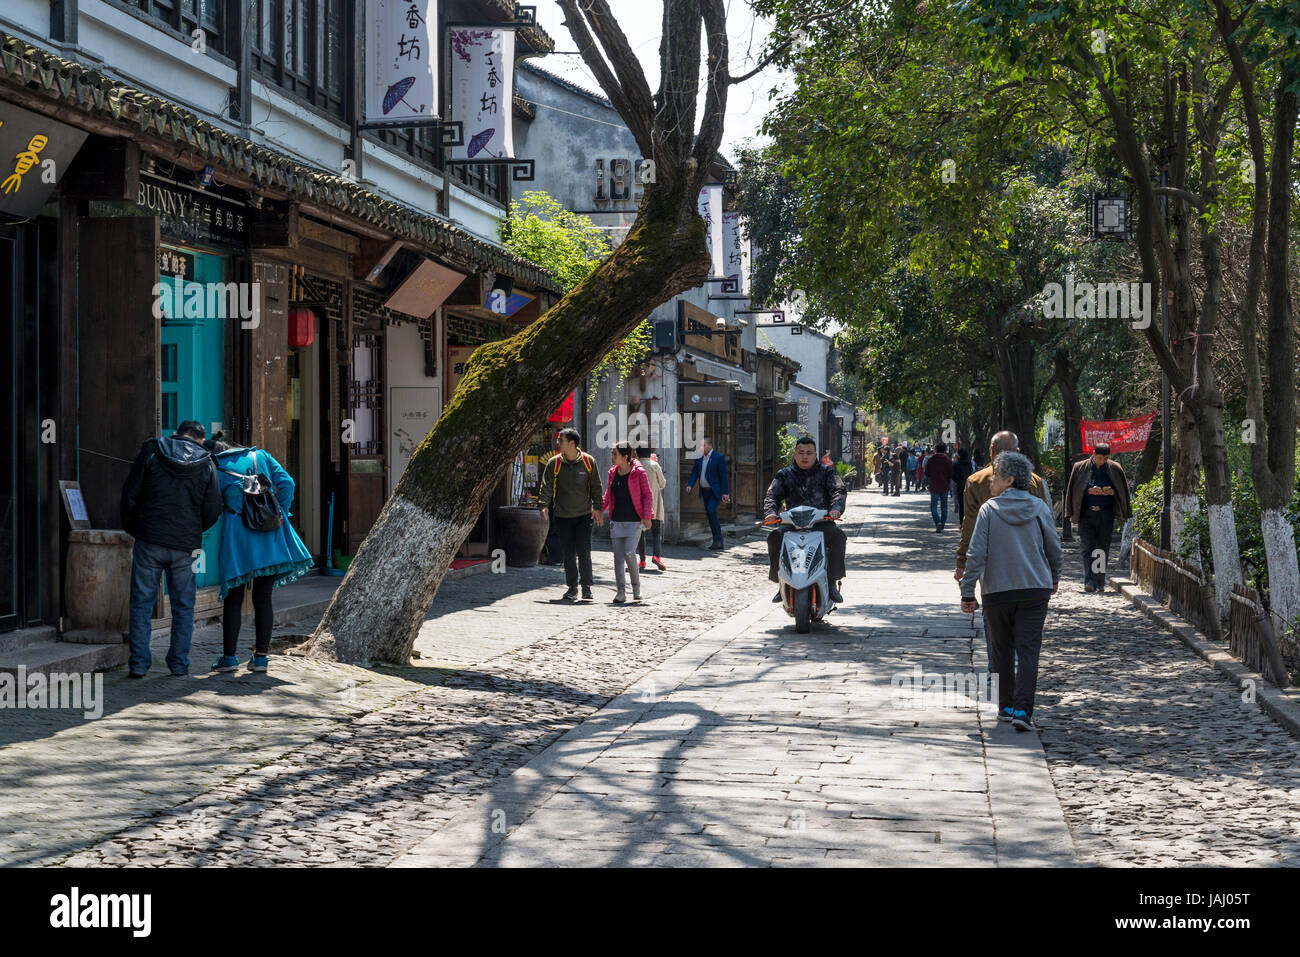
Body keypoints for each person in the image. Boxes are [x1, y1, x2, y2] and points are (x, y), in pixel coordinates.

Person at [959, 452, 1063, 732]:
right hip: (1035, 589)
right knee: (1029, 650)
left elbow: (976, 554)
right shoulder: (1040, 508)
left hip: (997, 591)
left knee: (1001, 648)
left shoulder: (989, 510)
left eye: (996, 475)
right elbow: (1054, 549)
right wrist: (1054, 577)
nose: (991, 480)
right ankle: (1022, 711)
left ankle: (1005, 707)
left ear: (1009, 480)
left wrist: (968, 591)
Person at [119, 420, 223, 677]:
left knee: (141, 603)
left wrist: (137, 528)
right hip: (185, 545)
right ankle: (178, 664)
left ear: (177, 433)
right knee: (184, 606)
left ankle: (138, 664)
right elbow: (213, 508)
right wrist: (194, 530)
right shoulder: (207, 462)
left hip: (150, 539)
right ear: (201, 440)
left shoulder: (153, 450)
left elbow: (130, 494)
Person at [208, 437, 313, 673]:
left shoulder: (216, 466)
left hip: (237, 536)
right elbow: (288, 484)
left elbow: (211, 505)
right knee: (263, 598)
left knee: (233, 599)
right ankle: (261, 659)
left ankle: (229, 658)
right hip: (268, 534)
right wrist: (279, 511)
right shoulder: (261, 456)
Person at [955, 431, 1052, 583]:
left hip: (992, 559)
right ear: (1017, 452)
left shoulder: (975, 481)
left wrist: (963, 560)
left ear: (991, 450)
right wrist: (1051, 568)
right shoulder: (1035, 481)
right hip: (1029, 558)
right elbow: (1046, 526)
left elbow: (970, 525)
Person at [764, 436, 848, 604]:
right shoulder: (784, 474)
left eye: (809, 453)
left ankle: (832, 581)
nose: (805, 456)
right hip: (792, 525)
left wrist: (836, 508)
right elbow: (772, 495)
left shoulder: (827, 472)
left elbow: (838, 490)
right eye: (801, 452)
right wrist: (771, 512)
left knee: (838, 537)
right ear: (795, 454)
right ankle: (781, 581)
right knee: (774, 538)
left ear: (815, 455)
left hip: (821, 523)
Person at [539, 427, 604, 600]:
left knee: (584, 551)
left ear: (572, 443)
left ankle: (587, 587)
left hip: (584, 515)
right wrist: (543, 505)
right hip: (562, 516)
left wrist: (598, 508)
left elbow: (596, 487)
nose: (558, 443)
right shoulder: (554, 463)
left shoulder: (589, 462)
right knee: (567, 554)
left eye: (561, 440)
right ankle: (572, 587)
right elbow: (546, 486)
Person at [1064, 442, 1131, 593]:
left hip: (1105, 514)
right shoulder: (1079, 467)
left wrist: (1112, 492)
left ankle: (1100, 582)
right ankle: (1089, 581)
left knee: (1101, 548)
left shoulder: (1115, 468)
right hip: (1086, 514)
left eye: (1105, 458)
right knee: (1087, 547)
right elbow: (1073, 489)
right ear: (1093, 454)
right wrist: (1089, 491)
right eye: (1099, 458)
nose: (1102, 461)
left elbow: (1121, 490)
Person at [603, 442, 654, 603]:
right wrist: (597, 509)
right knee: (618, 557)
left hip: (634, 521)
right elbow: (608, 496)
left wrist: (647, 516)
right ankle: (621, 592)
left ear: (625, 457)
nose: (612, 457)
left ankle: (636, 588)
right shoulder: (612, 473)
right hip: (616, 520)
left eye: (615, 454)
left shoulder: (639, 472)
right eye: (612, 454)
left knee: (629, 553)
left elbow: (647, 495)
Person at [686, 435, 730, 549]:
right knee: (710, 515)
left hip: (715, 491)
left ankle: (718, 540)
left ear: (710, 446)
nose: (701, 447)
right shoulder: (699, 458)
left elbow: (723, 476)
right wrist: (690, 484)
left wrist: (725, 492)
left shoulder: (718, 458)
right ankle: (717, 541)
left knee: (711, 511)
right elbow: (695, 472)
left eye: (703, 445)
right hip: (704, 491)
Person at [635, 446, 668, 571]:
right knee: (656, 532)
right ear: (650, 453)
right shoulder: (655, 465)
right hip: (654, 505)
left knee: (641, 532)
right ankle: (656, 556)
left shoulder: (635, 466)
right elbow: (662, 484)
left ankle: (642, 561)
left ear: (637, 453)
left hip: (639, 507)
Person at [924, 442, 954, 532]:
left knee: (933, 507)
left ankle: (938, 522)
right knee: (944, 507)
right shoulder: (948, 460)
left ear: (936, 450)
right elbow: (951, 473)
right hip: (945, 486)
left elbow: (926, 472)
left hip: (934, 486)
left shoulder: (931, 460)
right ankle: (942, 525)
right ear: (945, 450)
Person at [952, 446, 974, 525]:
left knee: (961, 505)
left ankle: (962, 523)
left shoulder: (956, 464)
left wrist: (957, 480)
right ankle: (969, 522)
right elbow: (972, 471)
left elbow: (953, 475)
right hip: (969, 485)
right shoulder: (970, 463)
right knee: (969, 504)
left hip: (960, 486)